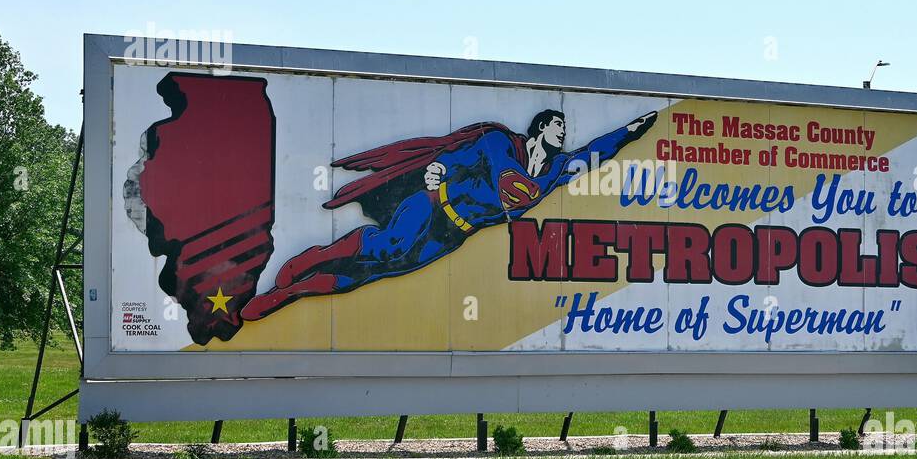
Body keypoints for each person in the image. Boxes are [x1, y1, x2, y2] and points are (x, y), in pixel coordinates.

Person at [240, 108, 657, 320]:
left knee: (377, 273)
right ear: (540, 128)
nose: (564, 133)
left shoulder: (553, 173)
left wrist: (633, 130)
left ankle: (288, 294)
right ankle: (312, 258)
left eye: (564, 130)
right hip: (434, 203)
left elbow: (597, 152)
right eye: (557, 126)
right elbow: (456, 157)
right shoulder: (499, 144)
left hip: (456, 234)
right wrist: (438, 170)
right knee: (389, 247)